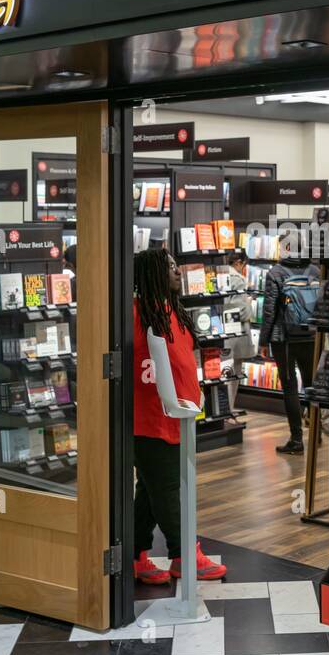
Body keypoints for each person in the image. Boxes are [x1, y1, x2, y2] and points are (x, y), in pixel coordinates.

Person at [132, 247, 228, 584]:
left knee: (150, 489)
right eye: (170, 267)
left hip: (179, 418)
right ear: (152, 274)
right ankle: (184, 554)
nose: (177, 271)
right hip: (149, 419)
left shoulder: (173, 311)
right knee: (167, 490)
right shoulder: (136, 314)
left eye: (176, 265)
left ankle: (134, 555)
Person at [260, 242, 320, 454]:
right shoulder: (315, 270)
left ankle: (297, 440)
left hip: (283, 338)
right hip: (311, 335)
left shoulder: (275, 273)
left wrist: (263, 341)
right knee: (312, 385)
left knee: (290, 388)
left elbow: (269, 310)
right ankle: (317, 434)